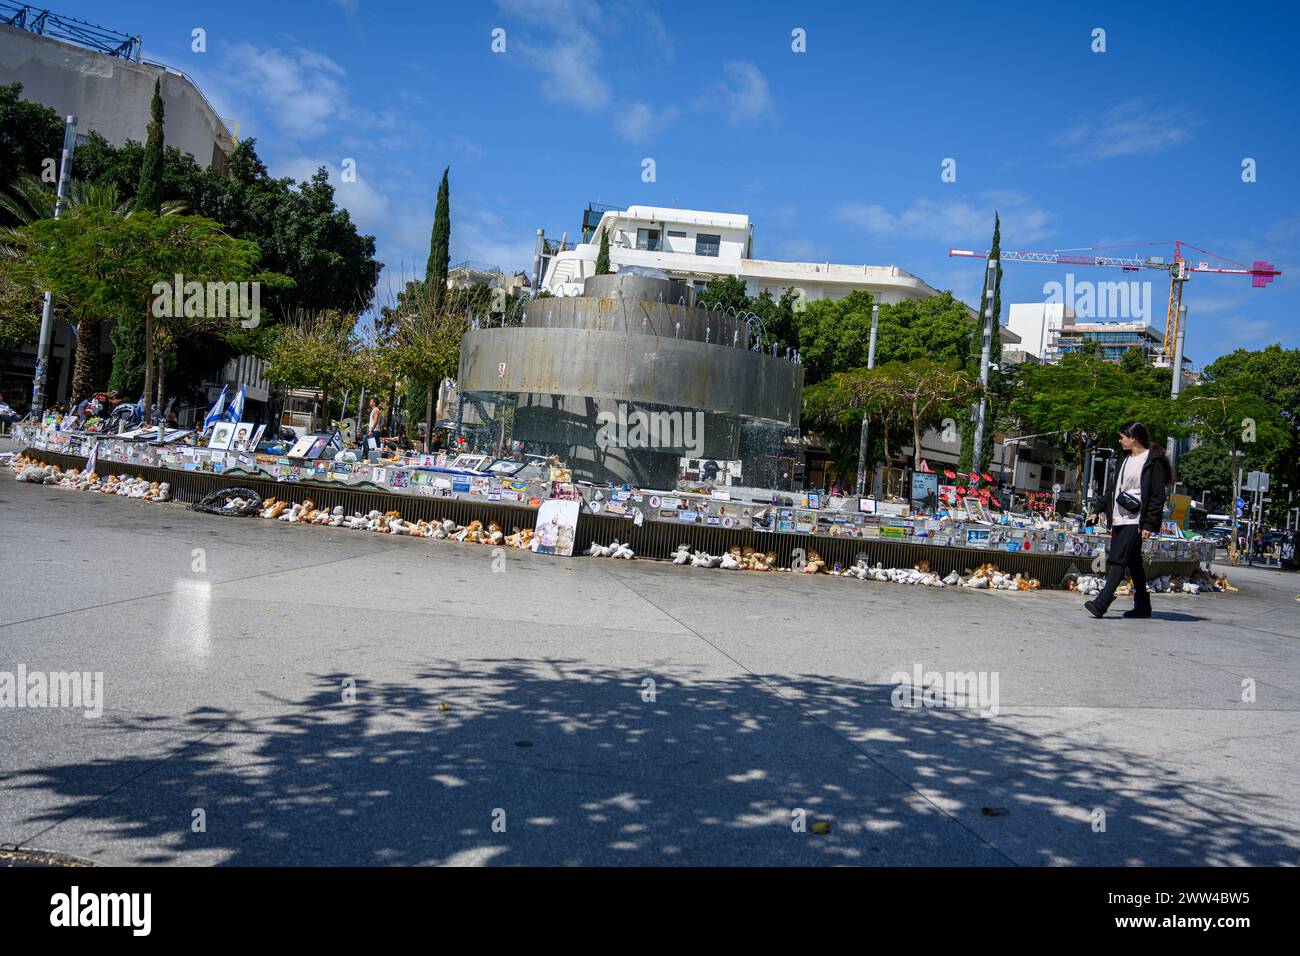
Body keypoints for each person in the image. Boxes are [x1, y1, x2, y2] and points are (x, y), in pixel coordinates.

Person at [1084, 421, 1176, 620]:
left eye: (1122, 437)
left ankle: (1102, 602)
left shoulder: (1153, 461)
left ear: (1133, 438)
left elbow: (1157, 496)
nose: (1120, 440)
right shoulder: (1123, 458)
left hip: (1136, 519)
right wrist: (1097, 510)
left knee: (1118, 558)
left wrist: (1150, 523)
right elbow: (1112, 488)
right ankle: (1143, 606)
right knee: (1133, 562)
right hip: (1118, 516)